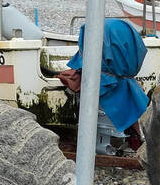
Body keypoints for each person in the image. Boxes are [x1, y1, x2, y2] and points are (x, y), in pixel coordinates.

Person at [57, 18, 149, 151]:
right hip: (118, 76)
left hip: (107, 81)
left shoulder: (104, 84)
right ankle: (137, 139)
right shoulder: (131, 87)